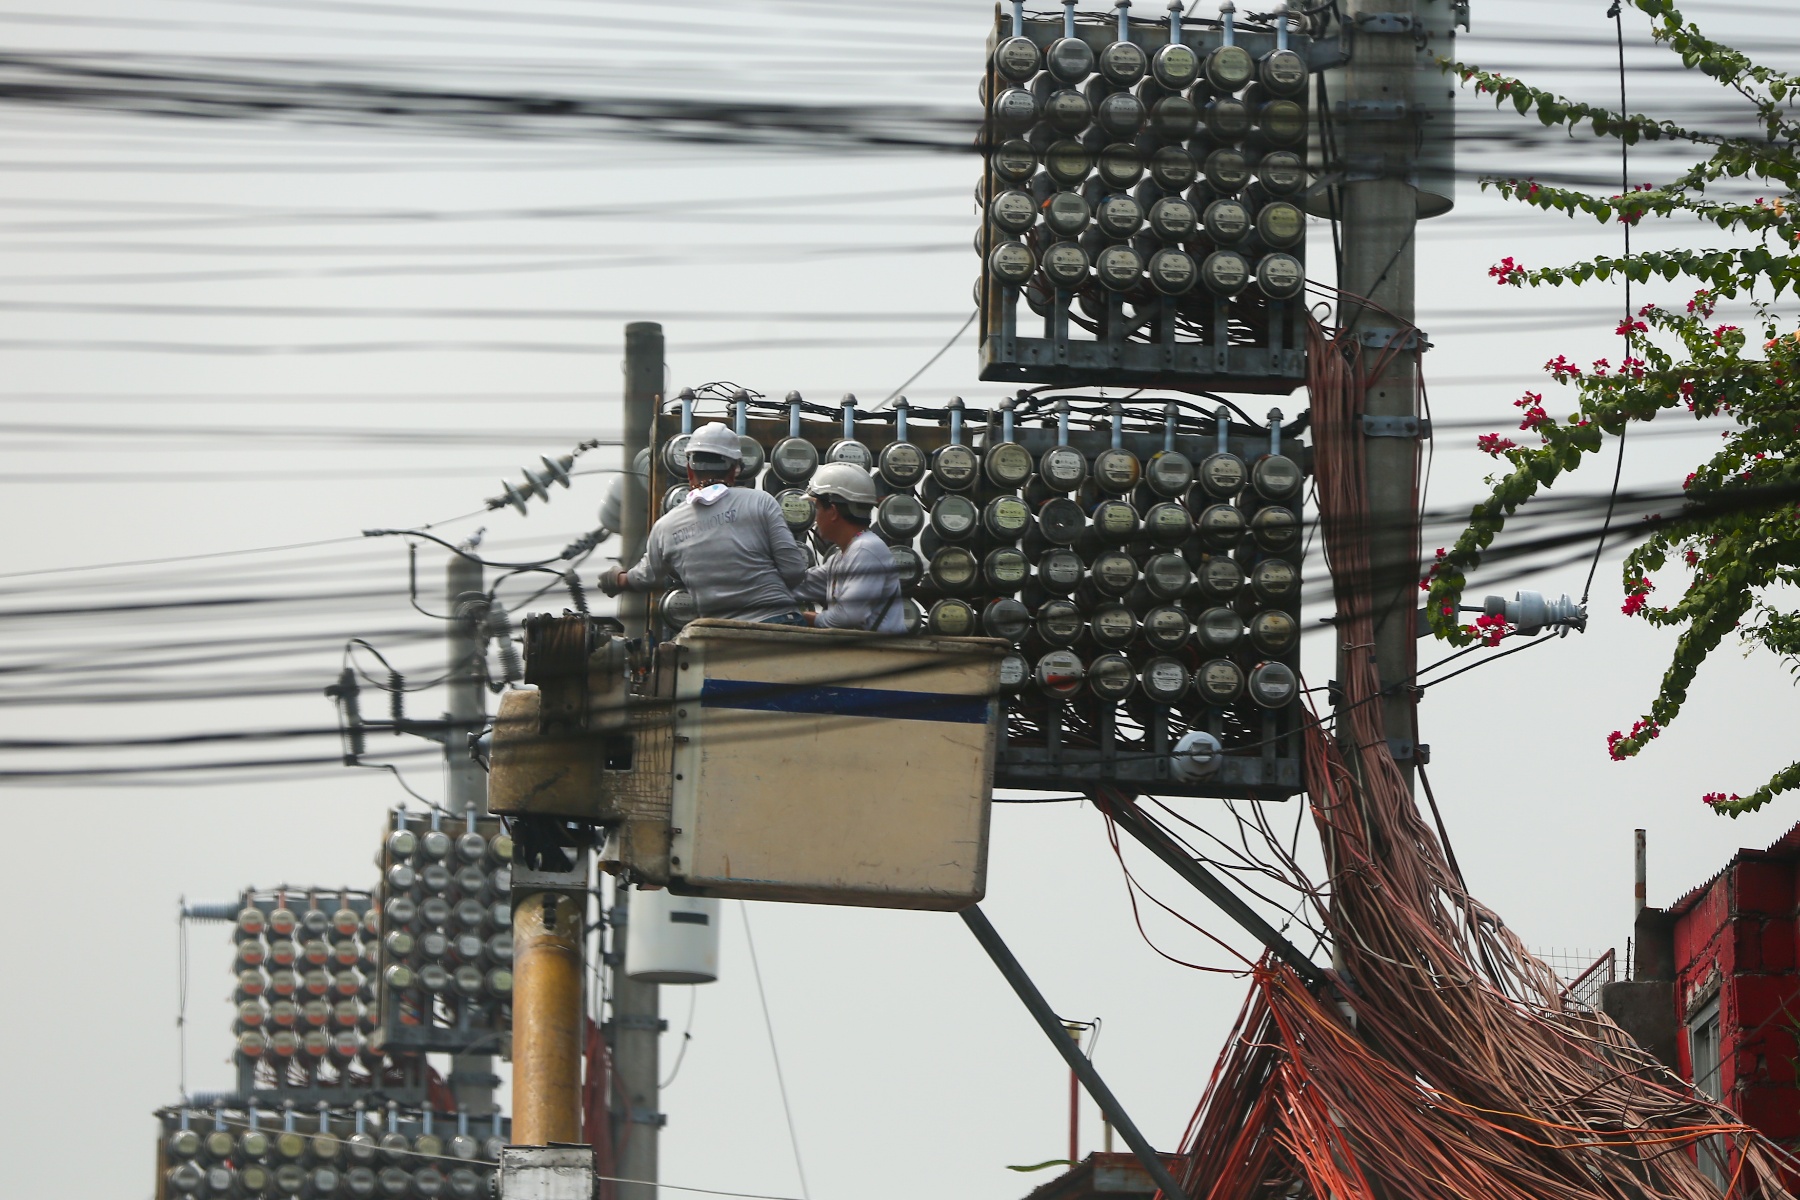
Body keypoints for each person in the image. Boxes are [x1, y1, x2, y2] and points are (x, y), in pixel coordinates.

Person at [599, 422, 809, 624]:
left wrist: (619, 579)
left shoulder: (666, 526)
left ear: (689, 470)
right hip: (778, 623)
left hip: (718, 635)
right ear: (734, 470)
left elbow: (645, 577)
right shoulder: (761, 502)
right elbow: (794, 571)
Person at [796, 462, 906, 633]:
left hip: (879, 654)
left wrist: (806, 618)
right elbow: (804, 585)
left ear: (832, 511)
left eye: (818, 508)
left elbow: (849, 615)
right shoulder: (843, 556)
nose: (816, 518)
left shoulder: (866, 550)